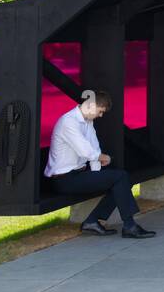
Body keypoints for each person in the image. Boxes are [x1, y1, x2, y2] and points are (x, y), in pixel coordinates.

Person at [44, 90, 156, 238]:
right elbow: (85, 150)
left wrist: (98, 175)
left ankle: (93, 222)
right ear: (91, 106)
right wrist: (103, 158)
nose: (101, 115)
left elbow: (94, 147)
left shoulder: (87, 122)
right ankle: (129, 226)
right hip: (64, 179)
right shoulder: (68, 122)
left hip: (78, 175)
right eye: (100, 111)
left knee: (121, 180)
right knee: (121, 177)